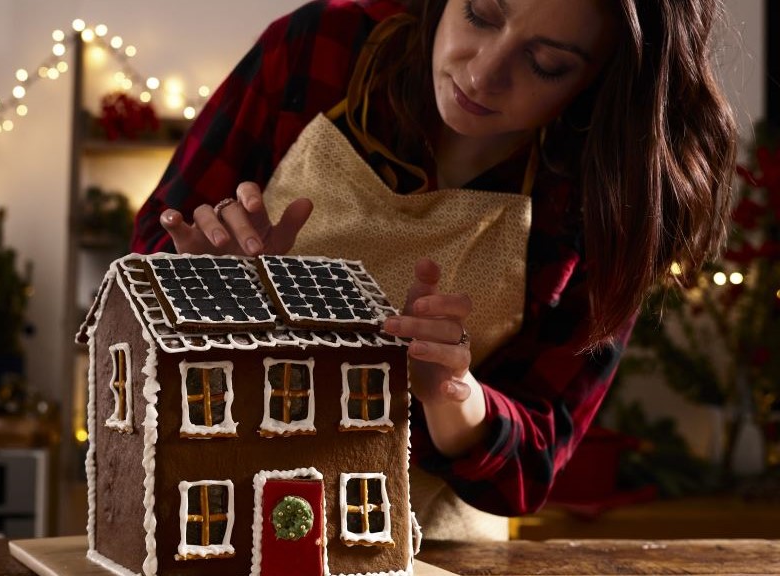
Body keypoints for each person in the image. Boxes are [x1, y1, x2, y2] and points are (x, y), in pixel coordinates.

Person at [131, 0, 737, 540]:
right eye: (481, 14)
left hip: (434, 547)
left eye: (546, 64)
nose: (483, 73)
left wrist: (451, 396)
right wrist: (203, 284)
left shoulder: (609, 200)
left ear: (603, 79)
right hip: (215, 519)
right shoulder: (315, 49)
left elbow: (530, 468)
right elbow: (142, 275)